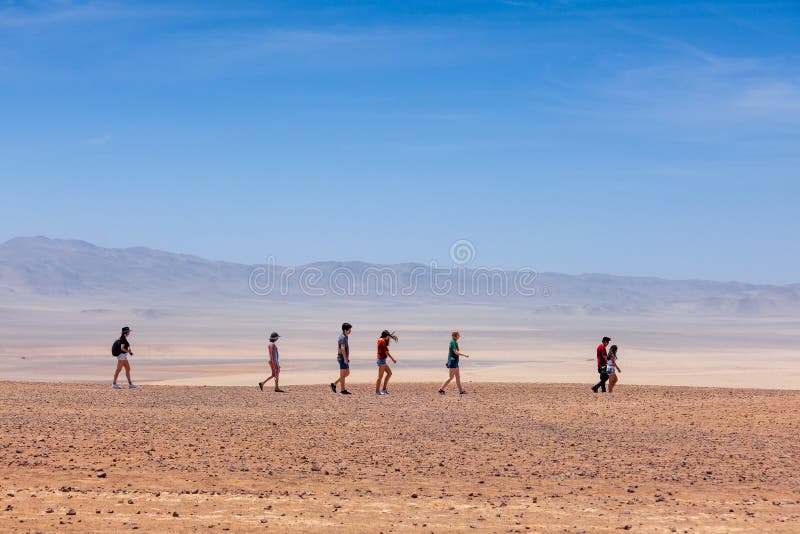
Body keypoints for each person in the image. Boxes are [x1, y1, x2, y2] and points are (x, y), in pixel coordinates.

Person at [439, 331, 470, 395]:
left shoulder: (455, 342)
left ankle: (461, 391)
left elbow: (452, 353)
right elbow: (455, 352)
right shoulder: (452, 342)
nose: (459, 336)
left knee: (458, 377)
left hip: (455, 362)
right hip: (453, 362)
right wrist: (464, 355)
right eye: (458, 335)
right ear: (455, 336)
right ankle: (441, 389)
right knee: (450, 377)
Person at [331, 323, 353, 395]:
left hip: (344, 358)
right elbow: (342, 348)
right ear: (345, 330)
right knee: (343, 374)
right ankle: (343, 390)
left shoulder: (345, 336)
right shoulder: (343, 337)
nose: (350, 331)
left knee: (347, 373)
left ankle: (334, 384)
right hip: (342, 358)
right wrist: (345, 358)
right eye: (349, 330)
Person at [375, 330, 399, 395]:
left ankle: (384, 389)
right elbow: (387, 352)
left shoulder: (380, 339)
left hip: (382, 360)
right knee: (380, 377)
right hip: (381, 361)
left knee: (389, 373)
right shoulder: (382, 341)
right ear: (386, 336)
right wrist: (393, 359)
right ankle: (377, 391)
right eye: (388, 336)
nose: (388, 338)